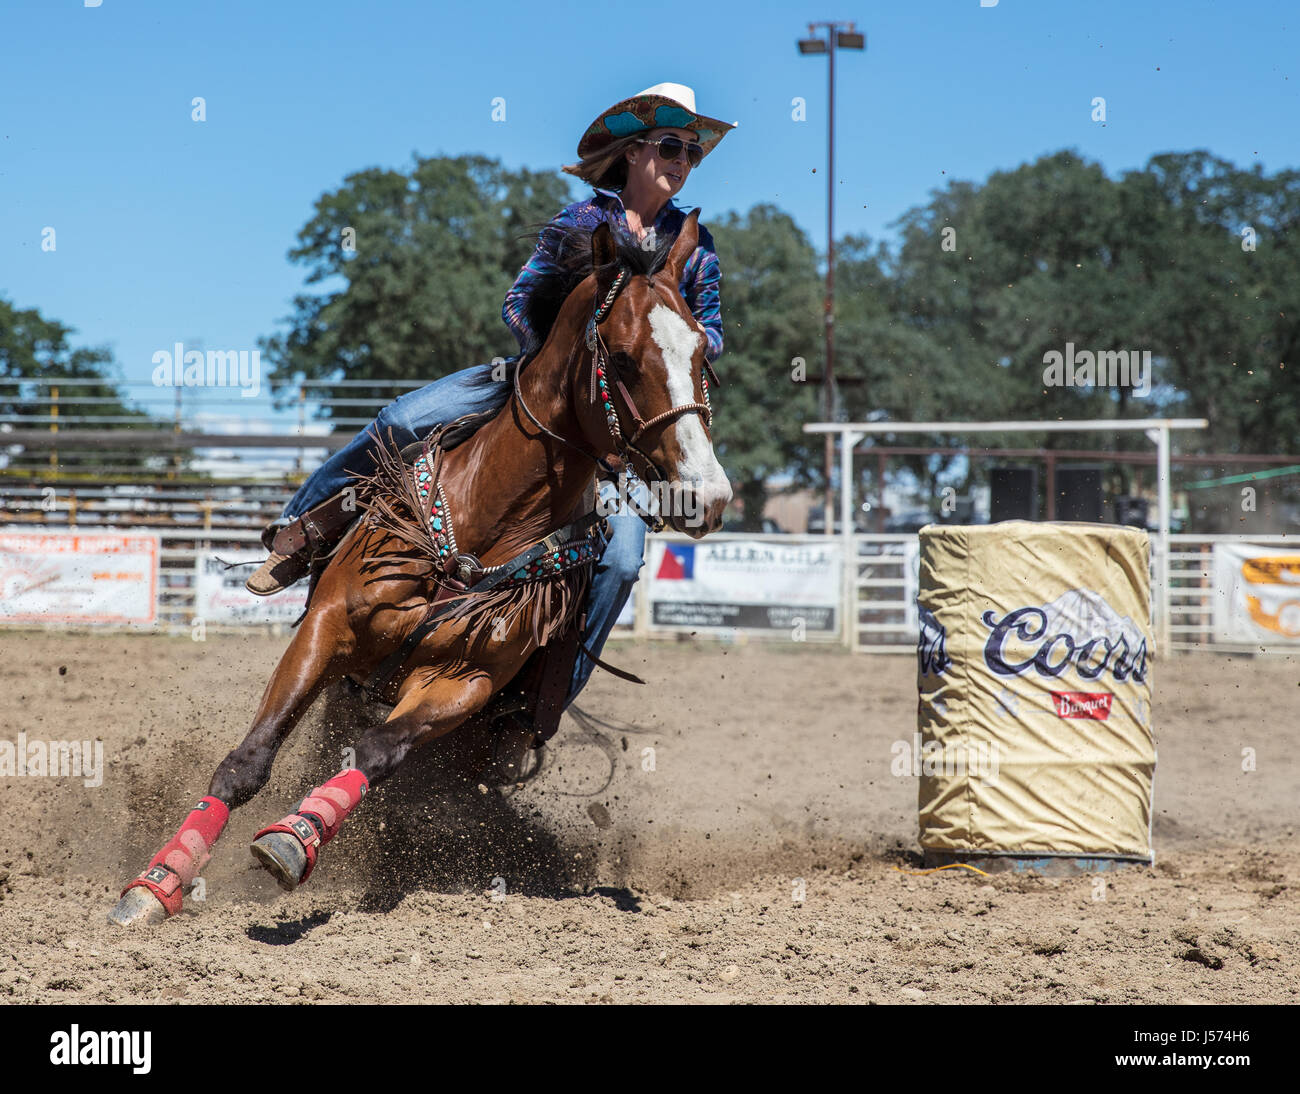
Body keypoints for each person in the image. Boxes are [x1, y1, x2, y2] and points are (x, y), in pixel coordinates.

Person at [248, 82, 735, 708]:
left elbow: (711, 331)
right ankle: (301, 533)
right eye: (672, 145)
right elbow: (518, 300)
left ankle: (543, 702)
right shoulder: (582, 222)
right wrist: (557, 365)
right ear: (634, 151)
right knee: (400, 420)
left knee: (619, 563)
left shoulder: (698, 250)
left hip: (625, 416)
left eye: (692, 153)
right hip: (537, 385)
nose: (682, 161)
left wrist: (676, 343)